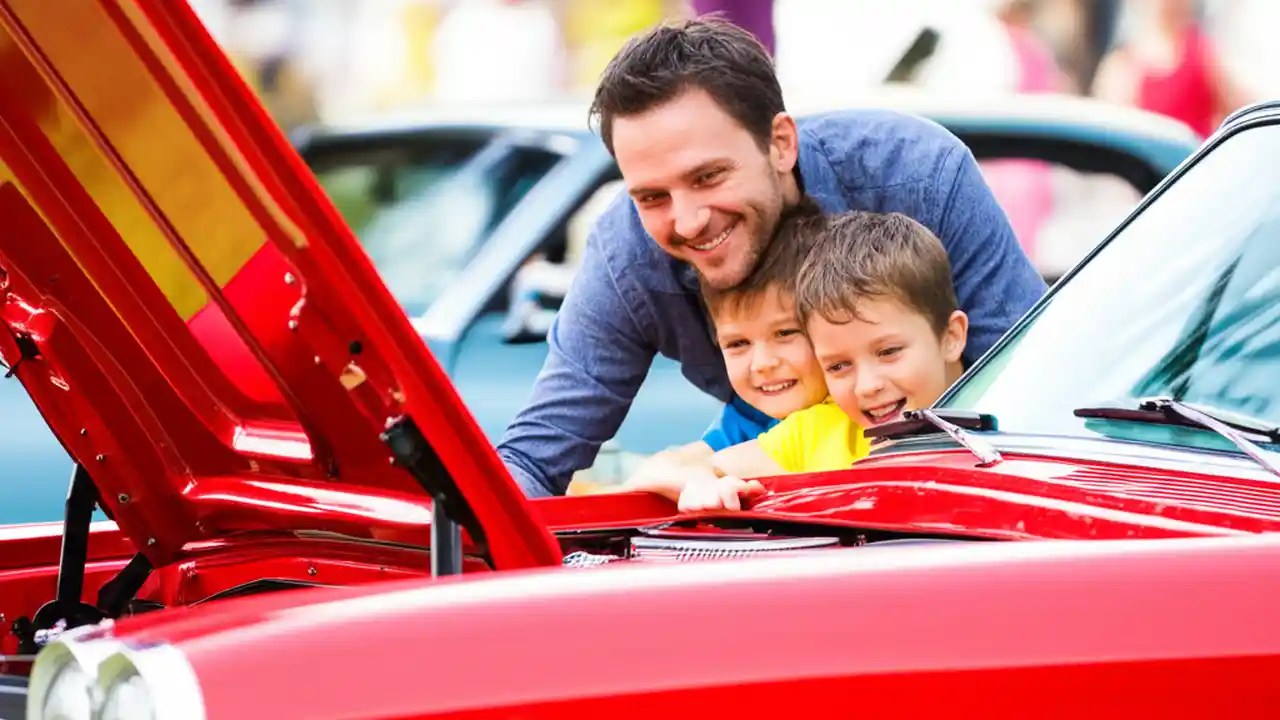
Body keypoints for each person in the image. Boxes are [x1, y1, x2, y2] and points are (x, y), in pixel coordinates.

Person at [497, 17, 1046, 498]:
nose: (687, 221)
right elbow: (533, 459)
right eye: (652, 197)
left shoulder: (917, 176)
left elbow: (1032, 384)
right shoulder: (628, 258)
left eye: (708, 177)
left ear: (780, 143)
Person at [627, 209, 968, 511]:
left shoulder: (1010, 420)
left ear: (951, 337)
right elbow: (654, 474)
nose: (868, 386)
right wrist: (700, 483)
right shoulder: (818, 431)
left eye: (889, 352)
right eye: (838, 366)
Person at [620, 198, 830, 493]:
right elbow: (660, 469)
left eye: (785, 333)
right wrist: (697, 479)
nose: (762, 363)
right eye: (738, 343)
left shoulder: (863, 412)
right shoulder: (748, 418)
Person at [1092, 0, 1246, 139]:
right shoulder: (1123, 65)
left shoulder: (1205, 55)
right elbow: (1112, 135)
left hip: (1197, 164)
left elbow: (1242, 112)